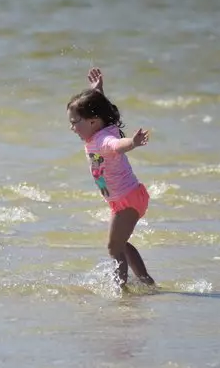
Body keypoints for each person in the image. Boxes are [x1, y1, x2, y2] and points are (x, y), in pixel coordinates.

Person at [66, 68, 155, 289]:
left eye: (76, 122)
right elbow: (100, 109)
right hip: (126, 197)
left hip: (126, 199)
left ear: (93, 122)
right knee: (120, 244)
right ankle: (146, 282)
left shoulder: (103, 139)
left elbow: (117, 146)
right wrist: (98, 91)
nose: (72, 127)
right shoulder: (102, 128)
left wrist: (132, 143)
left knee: (113, 248)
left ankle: (119, 289)